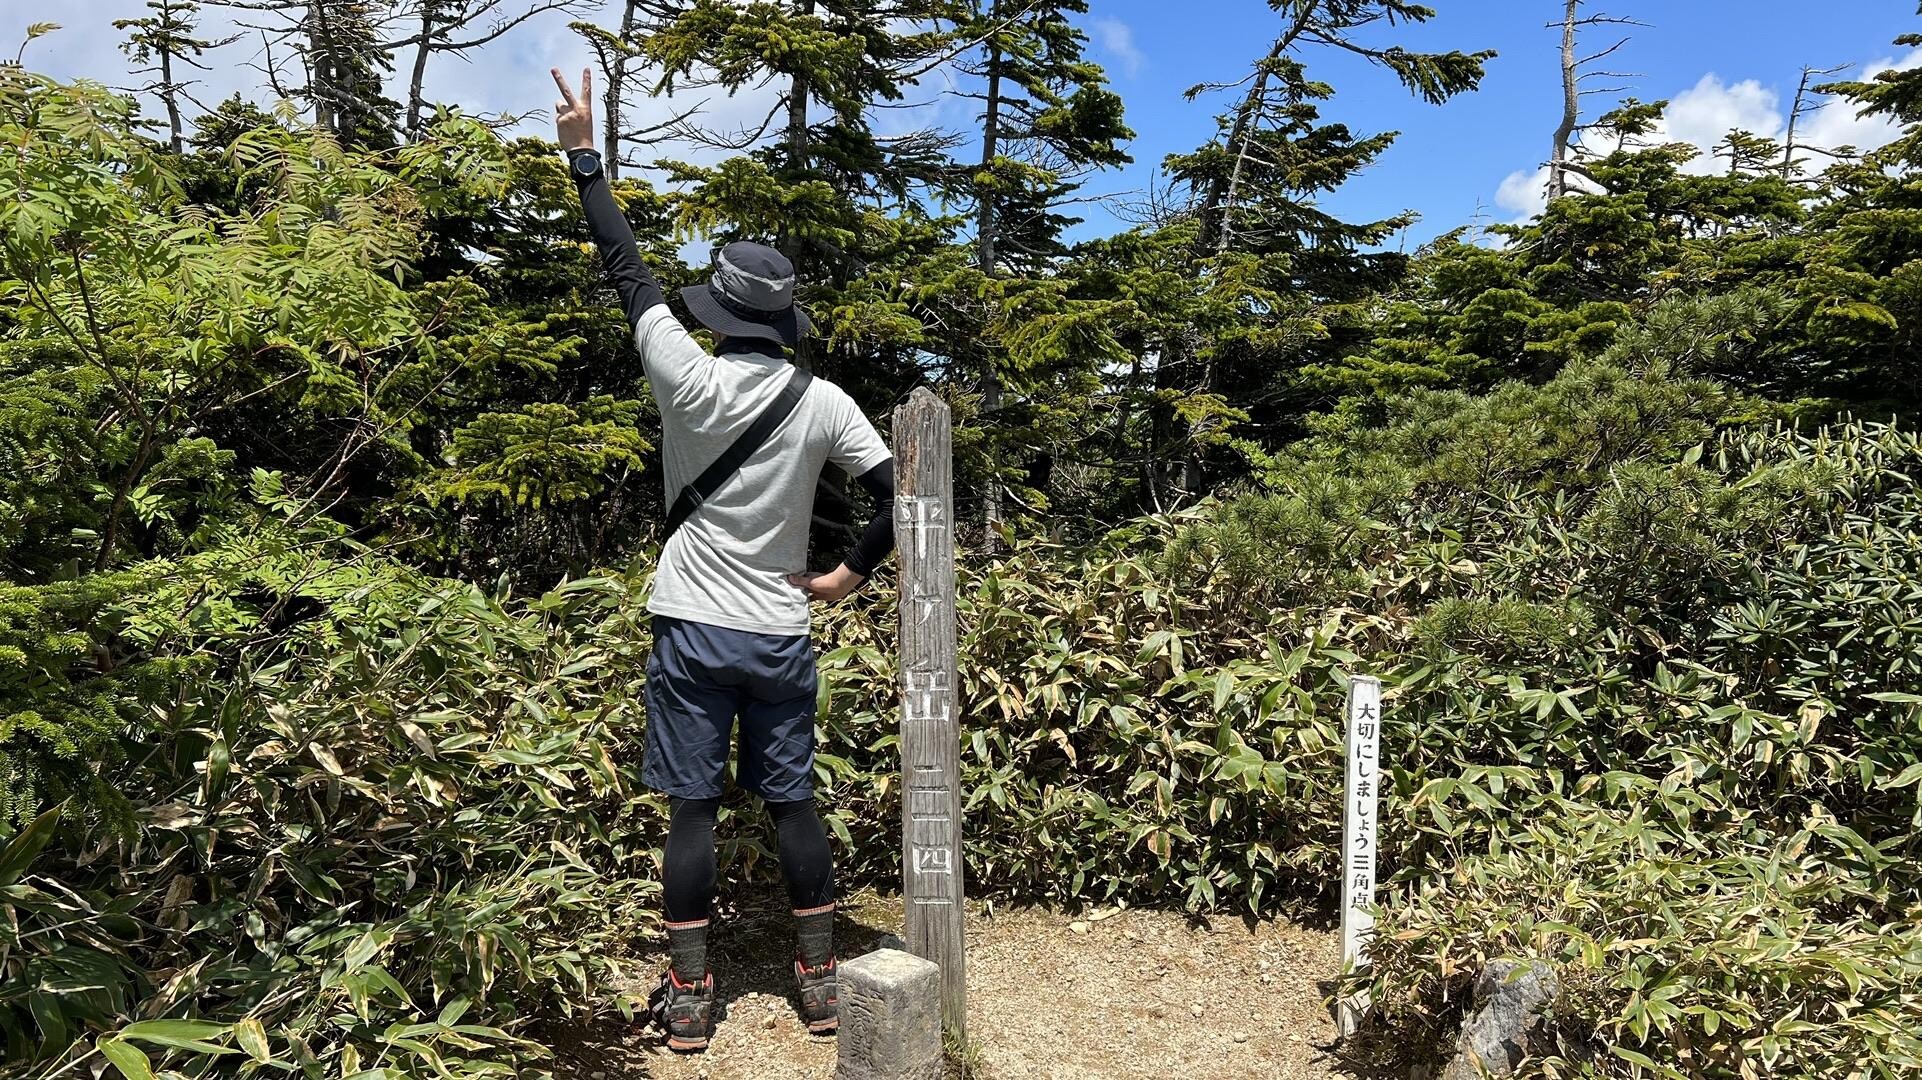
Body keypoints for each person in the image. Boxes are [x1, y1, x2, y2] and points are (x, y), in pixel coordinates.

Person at [550, 67, 897, 1052]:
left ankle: (692, 994)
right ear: (781, 321)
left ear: (721, 313)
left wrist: (585, 156)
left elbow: (627, 270)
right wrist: (845, 574)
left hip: (693, 630)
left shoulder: (684, 375)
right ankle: (820, 982)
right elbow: (895, 500)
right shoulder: (821, 402)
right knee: (792, 802)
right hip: (780, 633)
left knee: (692, 810)